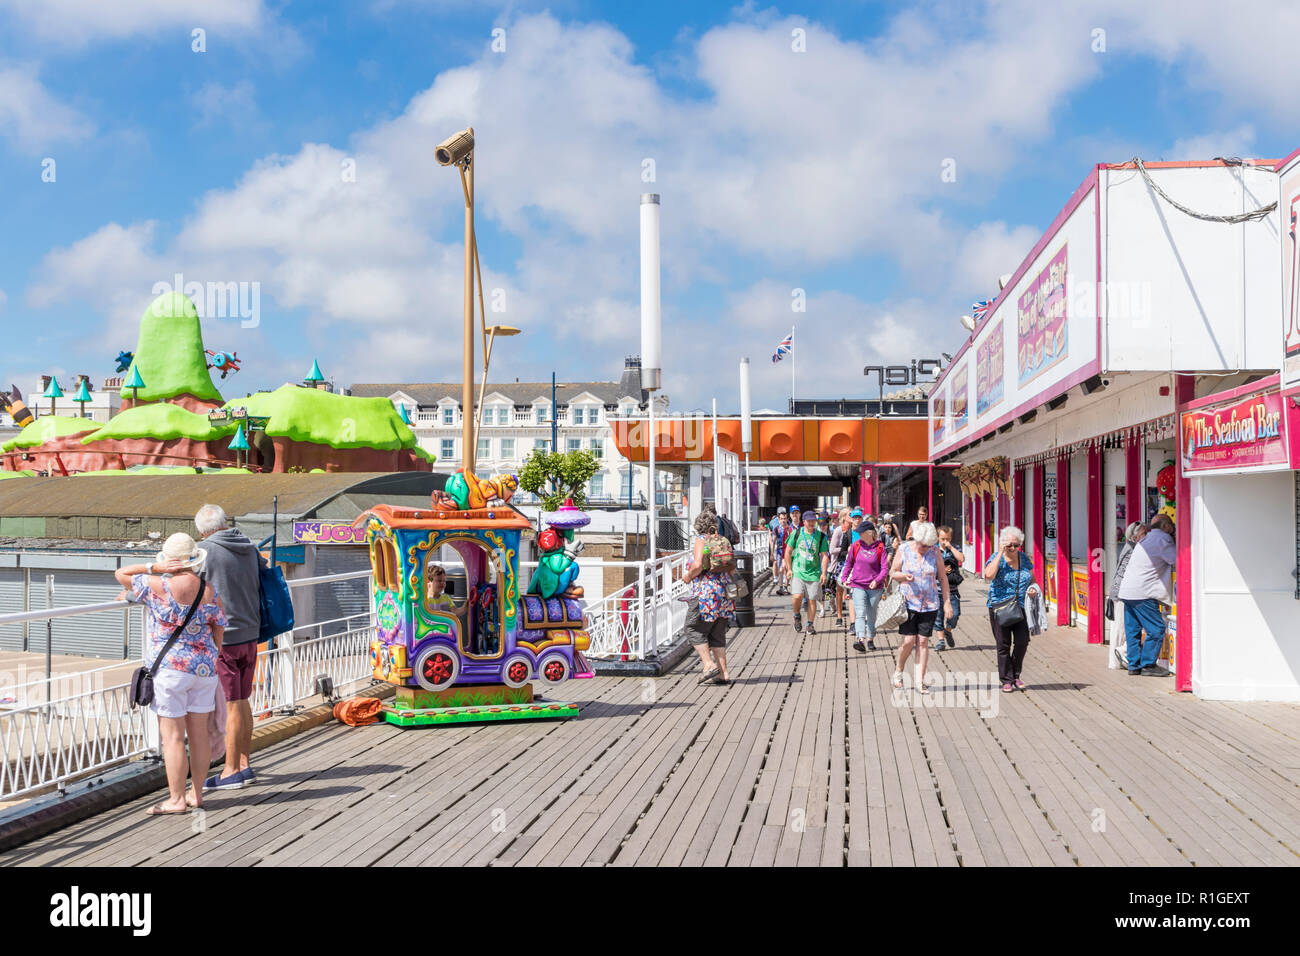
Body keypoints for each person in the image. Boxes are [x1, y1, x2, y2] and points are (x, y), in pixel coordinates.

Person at [116, 533, 227, 815]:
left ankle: (176, 799)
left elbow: (121, 573)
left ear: (168, 561)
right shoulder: (208, 589)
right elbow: (218, 629)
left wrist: (153, 569)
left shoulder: (158, 586)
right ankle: (196, 794)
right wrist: (211, 654)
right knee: (199, 734)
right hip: (203, 669)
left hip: (170, 672)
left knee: (173, 738)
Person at [193, 504, 267, 791]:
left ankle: (231, 771)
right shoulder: (248, 545)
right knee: (243, 699)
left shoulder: (204, 552)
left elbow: (189, 584)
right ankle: (244, 764)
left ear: (203, 530)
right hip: (251, 632)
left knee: (232, 704)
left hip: (226, 637)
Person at [889, 521, 951, 694]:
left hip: (930, 603)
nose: (925, 549)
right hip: (908, 602)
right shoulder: (904, 549)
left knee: (923, 641)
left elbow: (943, 578)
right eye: (922, 545)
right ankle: (899, 670)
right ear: (916, 539)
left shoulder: (935, 551)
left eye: (928, 546)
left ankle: (919, 681)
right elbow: (892, 572)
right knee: (908, 641)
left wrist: (947, 602)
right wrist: (903, 575)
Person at [1116, 514, 1176, 677]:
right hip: (1143, 592)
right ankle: (1148, 664)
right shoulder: (1163, 539)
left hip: (1128, 591)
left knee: (1133, 629)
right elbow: (1177, 559)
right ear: (1164, 527)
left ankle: (1133, 665)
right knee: (1156, 628)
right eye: (1171, 525)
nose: (1173, 528)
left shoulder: (1146, 539)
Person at [982, 525, 1039, 692]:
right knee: (1003, 644)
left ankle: (1015, 674)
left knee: (1022, 642)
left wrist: (1034, 588)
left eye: (1016, 545)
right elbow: (988, 575)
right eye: (1009, 545)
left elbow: (1032, 578)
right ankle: (1007, 679)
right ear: (1003, 544)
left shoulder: (1024, 559)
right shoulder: (996, 557)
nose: (1013, 548)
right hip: (1000, 607)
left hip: (1021, 606)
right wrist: (1000, 553)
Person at [682, 510, 736, 685]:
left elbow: (698, 565)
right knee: (717, 632)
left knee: (691, 627)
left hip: (706, 592)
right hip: (723, 591)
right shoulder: (722, 540)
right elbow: (731, 566)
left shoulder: (701, 540)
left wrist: (688, 576)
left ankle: (708, 664)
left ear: (699, 525)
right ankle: (723, 673)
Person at [842, 521, 889, 652]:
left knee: (872, 614)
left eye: (861, 532)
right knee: (860, 613)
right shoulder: (856, 545)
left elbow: (885, 569)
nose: (859, 534)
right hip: (858, 585)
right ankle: (861, 640)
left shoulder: (880, 547)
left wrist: (877, 580)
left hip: (875, 587)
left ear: (869, 533)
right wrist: (844, 578)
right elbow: (849, 563)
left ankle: (870, 638)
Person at [1107, 521, 1146, 669]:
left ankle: (1117, 660)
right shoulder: (1133, 550)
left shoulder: (1129, 547)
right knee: (1120, 630)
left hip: (1119, 592)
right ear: (1135, 536)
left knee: (1120, 629)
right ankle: (1118, 658)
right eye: (1143, 534)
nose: (1146, 537)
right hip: (1122, 594)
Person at [784, 508, 829, 634]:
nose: (811, 523)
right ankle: (797, 615)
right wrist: (789, 569)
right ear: (803, 521)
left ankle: (810, 624)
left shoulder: (820, 536)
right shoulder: (796, 533)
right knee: (797, 596)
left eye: (813, 521)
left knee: (812, 599)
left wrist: (824, 573)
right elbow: (787, 552)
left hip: (814, 573)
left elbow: (825, 556)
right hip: (798, 570)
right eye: (809, 521)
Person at [933, 524, 964, 651]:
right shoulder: (933, 550)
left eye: (948, 538)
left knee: (955, 614)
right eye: (943, 539)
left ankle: (948, 630)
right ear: (937, 538)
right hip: (936, 590)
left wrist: (950, 547)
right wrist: (940, 571)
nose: (945, 541)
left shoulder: (954, 547)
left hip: (952, 589)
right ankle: (941, 642)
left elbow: (962, 558)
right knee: (938, 616)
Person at [827, 508, 854, 627]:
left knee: (854, 590)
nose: (852, 516)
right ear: (844, 517)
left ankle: (854, 619)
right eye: (850, 514)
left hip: (854, 563)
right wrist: (846, 550)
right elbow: (832, 550)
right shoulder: (839, 530)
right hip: (840, 562)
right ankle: (839, 616)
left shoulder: (855, 530)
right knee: (840, 591)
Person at [770, 508, 794, 595]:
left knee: (785, 568)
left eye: (785, 519)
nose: (783, 520)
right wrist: (772, 553)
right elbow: (773, 541)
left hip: (788, 551)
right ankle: (782, 587)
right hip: (780, 551)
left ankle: (785, 586)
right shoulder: (776, 529)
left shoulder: (790, 529)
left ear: (787, 519)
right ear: (779, 519)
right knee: (781, 569)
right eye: (781, 519)